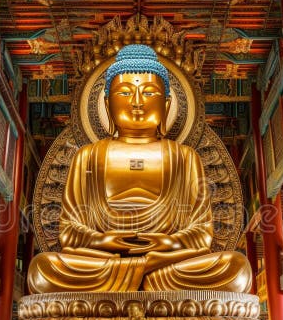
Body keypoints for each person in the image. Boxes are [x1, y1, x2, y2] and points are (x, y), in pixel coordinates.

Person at [27, 44, 251, 293]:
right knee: (44, 269)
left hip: (166, 265)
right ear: (107, 103)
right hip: (105, 261)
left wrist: (167, 243)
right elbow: (69, 231)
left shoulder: (185, 157)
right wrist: (103, 240)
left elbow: (201, 234)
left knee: (235, 268)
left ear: (166, 105)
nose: (136, 102)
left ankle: (133, 281)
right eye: (124, 93)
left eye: (149, 93)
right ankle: (142, 280)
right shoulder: (87, 157)